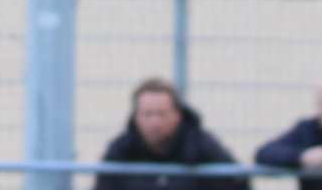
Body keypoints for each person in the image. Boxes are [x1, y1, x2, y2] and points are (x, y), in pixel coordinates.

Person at [93, 77, 247, 190]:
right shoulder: (120, 150)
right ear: (137, 117)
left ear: (177, 115)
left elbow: (237, 181)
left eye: (162, 114)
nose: (155, 122)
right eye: (148, 114)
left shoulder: (202, 147)